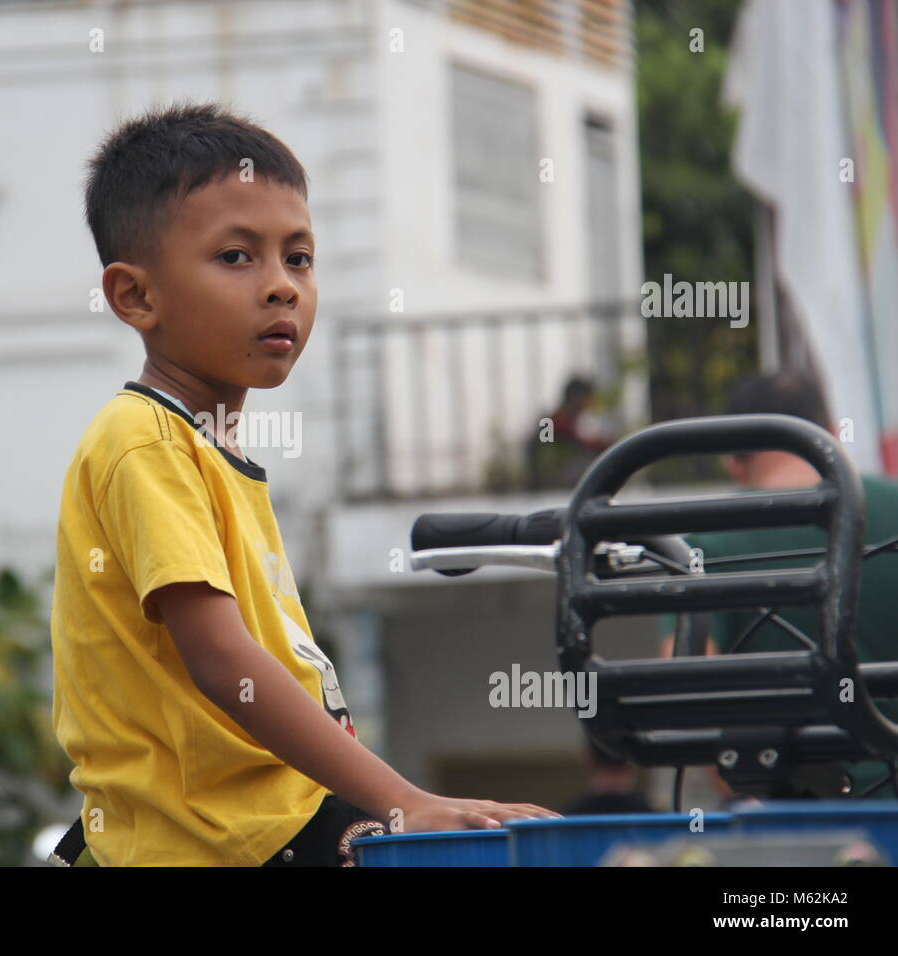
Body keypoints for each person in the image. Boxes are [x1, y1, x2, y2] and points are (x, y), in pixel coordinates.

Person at [48, 101, 559, 867]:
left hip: (274, 829)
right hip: (197, 847)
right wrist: (405, 803)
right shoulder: (141, 440)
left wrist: (394, 808)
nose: (282, 286)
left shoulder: (210, 452)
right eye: (236, 257)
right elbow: (224, 662)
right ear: (135, 297)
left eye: (299, 257)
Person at [658, 371, 898, 800]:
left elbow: (687, 695)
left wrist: (748, 798)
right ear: (830, 433)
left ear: (733, 460)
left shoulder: (705, 541)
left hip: (790, 823)